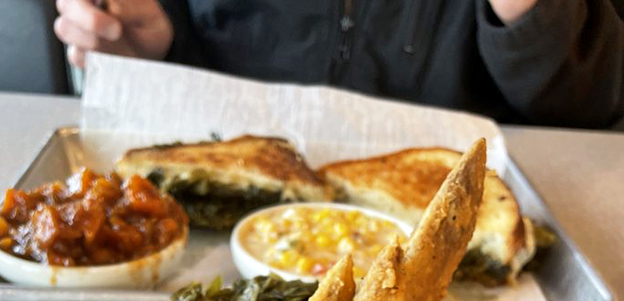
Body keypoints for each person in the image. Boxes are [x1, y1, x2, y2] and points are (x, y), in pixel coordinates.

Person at [54, 0, 624, 128]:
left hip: (464, 229)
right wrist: (155, 57)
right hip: (208, 214)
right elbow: (162, 35)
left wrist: (532, 14)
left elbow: (589, 112)